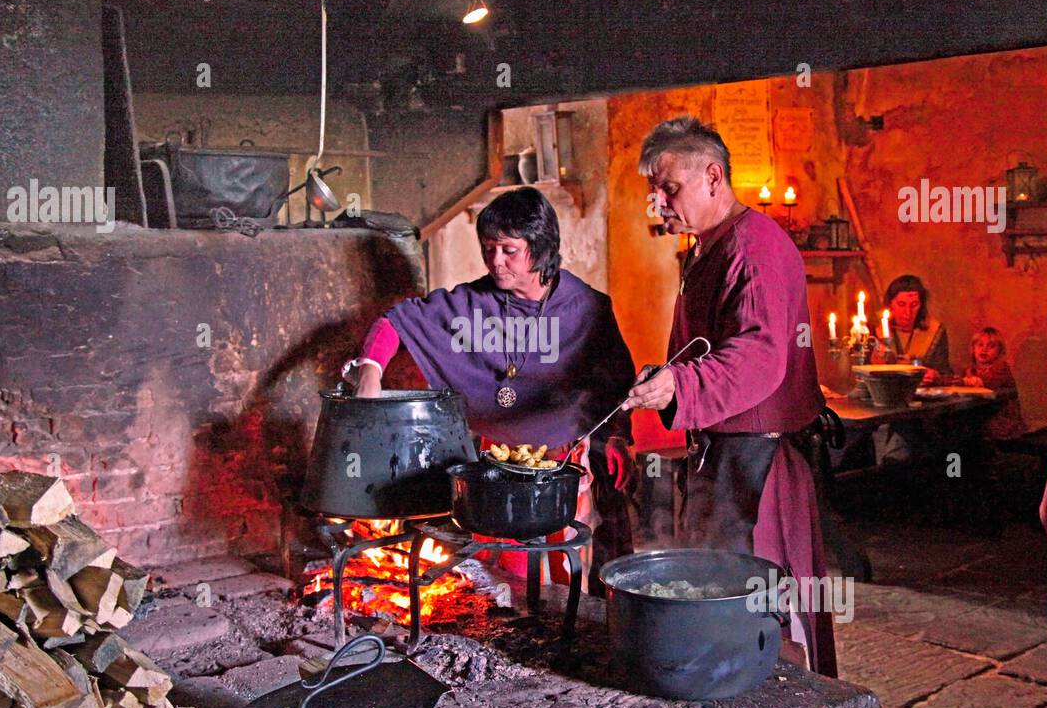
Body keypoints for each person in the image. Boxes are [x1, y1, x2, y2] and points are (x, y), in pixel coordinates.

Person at [621, 116, 837, 677]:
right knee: (727, 606)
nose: (659, 202)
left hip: (758, 464)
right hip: (727, 453)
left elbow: (761, 356)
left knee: (764, 614)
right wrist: (672, 375)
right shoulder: (707, 249)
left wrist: (681, 384)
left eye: (669, 187)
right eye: (655, 190)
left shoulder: (756, 246)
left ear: (713, 177)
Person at [344, 186, 636, 593]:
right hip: (496, 469)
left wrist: (618, 440)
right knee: (508, 575)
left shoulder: (587, 309)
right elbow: (395, 321)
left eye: (508, 250)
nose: (496, 262)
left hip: (567, 463)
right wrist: (370, 372)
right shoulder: (473, 303)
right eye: (488, 249)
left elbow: (617, 386)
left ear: (541, 247)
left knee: (569, 567)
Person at [874, 274, 951, 383]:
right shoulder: (875, 329)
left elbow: (944, 372)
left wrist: (935, 375)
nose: (907, 312)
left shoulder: (934, 330)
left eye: (914, 305)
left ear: (921, 305)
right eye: (901, 304)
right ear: (890, 304)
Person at [955, 326, 1028, 441]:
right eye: (980, 345)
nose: (984, 350)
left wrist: (967, 381)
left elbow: (987, 381)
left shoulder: (1001, 368)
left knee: (967, 428)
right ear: (973, 349)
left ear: (999, 352)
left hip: (1002, 418)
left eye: (991, 346)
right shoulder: (970, 370)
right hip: (980, 414)